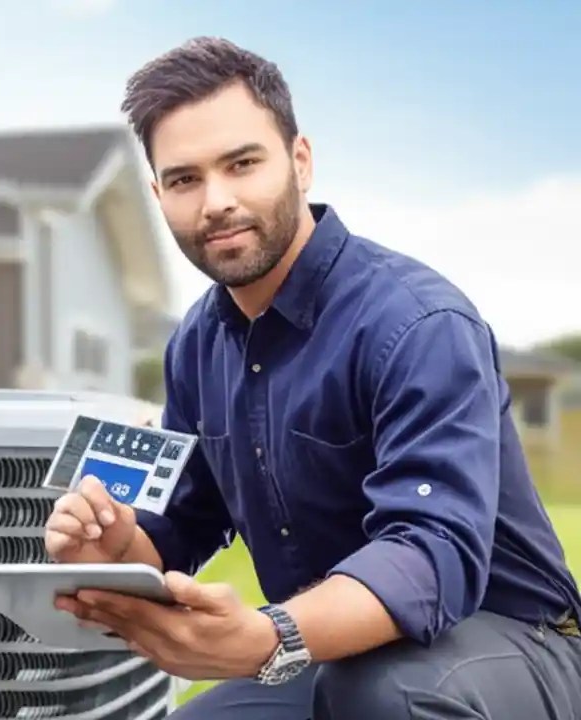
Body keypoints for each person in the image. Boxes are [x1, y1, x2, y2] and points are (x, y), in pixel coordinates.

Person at [45, 36, 581, 718]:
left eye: (242, 164)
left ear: (300, 162)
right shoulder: (196, 348)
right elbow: (180, 524)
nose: (216, 201)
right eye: (185, 179)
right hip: (326, 657)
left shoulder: (418, 324)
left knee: (391, 697)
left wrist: (270, 636)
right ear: (158, 194)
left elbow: (429, 552)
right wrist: (115, 544)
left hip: (513, 640)